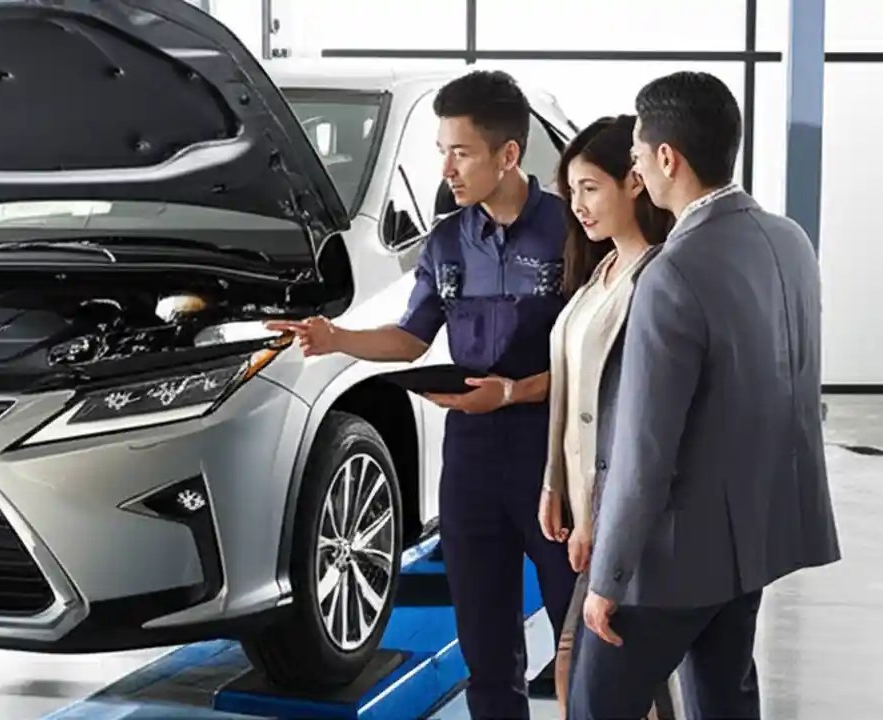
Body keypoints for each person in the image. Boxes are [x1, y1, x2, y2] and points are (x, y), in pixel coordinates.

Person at [268, 70, 577, 720]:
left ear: (508, 154)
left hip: (551, 457)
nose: (448, 166)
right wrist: (336, 337)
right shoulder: (446, 240)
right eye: (442, 150)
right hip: (469, 459)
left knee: (578, 633)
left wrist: (516, 392)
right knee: (486, 648)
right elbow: (411, 340)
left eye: (460, 151)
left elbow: (596, 362)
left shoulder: (573, 232)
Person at [566, 71, 842, 719]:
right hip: (752, 541)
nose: (635, 168)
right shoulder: (789, 240)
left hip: (668, 560)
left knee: (594, 710)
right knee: (724, 701)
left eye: (636, 155)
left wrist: (607, 580)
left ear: (668, 157)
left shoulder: (672, 272)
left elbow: (645, 450)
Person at [535, 114, 675, 719]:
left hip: (625, 514)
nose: (578, 205)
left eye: (590, 188)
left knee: (593, 664)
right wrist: (553, 485)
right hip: (588, 508)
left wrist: (597, 517)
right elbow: (574, 395)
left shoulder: (654, 278)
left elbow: (630, 420)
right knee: (593, 666)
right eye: (571, 191)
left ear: (635, 182)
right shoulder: (601, 273)